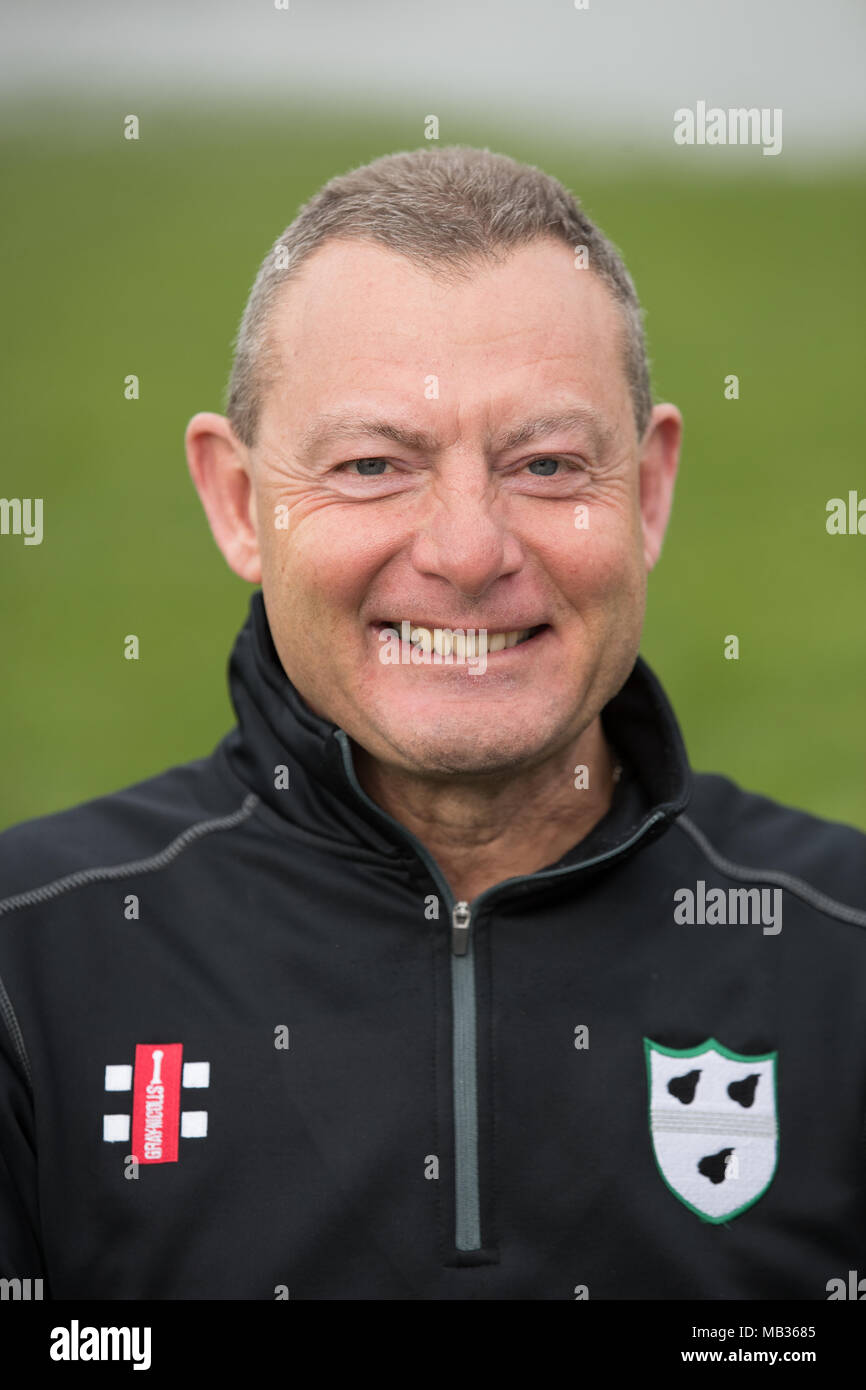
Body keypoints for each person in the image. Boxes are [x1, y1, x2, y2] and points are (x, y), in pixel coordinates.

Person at [0, 147, 863, 1301]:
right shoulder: (29, 965)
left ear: (647, 491)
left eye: (545, 463)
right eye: (371, 465)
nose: (465, 551)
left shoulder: (842, 954)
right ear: (238, 502)